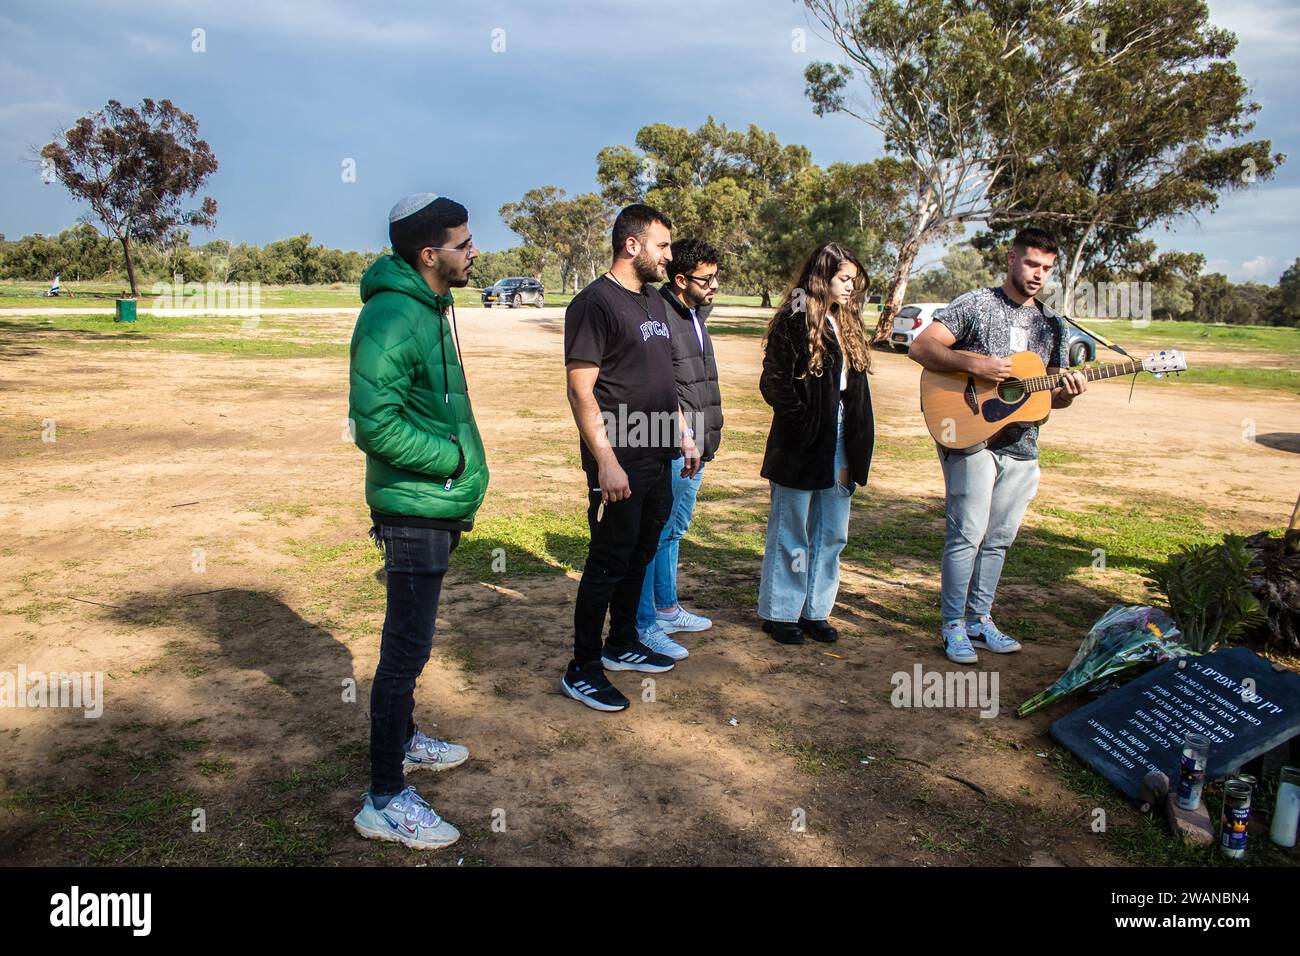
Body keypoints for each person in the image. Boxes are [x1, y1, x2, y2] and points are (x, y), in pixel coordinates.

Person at [347, 193, 489, 849]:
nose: (473, 251)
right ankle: (383, 798)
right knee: (404, 652)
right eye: (463, 243)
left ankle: (404, 741)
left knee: (414, 644)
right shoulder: (391, 317)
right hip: (411, 507)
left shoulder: (431, 307)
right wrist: (451, 460)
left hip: (431, 502)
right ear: (429, 255)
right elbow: (374, 425)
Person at [907, 227, 1088, 665]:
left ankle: (979, 619)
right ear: (1011, 259)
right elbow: (922, 347)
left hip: (1022, 443)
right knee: (967, 534)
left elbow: (1047, 397)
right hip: (969, 435)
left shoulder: (1053, 325)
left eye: (1047, 268)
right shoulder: (977, 305)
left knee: (999, 538)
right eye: (1031, 264)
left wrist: (1068, 392)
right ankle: (952, 626)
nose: (1038, 274)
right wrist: (977, 364)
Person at [561, 203, 702, 712]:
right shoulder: (594, 303)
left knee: (642, 550)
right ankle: (582, 667)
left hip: (659, 451)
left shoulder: (653, 302)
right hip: (619, 457)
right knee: (607, 560)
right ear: (632, 245)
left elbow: (664, 383)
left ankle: (622, 642)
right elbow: (581, 391)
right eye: (663, 245)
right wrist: (605, 460)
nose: (669, 255)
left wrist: (684, 435)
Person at [757, 242, 875, 645]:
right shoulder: (794, 319)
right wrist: (806, 425)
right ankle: (781, 612)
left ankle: (815, 611)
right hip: (801, 443)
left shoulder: (849, 322)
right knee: (792, 532)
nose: (850, 288)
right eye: (844, 280)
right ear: (821, 277)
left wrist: (855, 443)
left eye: (854, 282)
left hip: (843, 440)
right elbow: (774, 383)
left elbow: (856, 391)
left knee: (831, 532)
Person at [634, 239, 725, 659]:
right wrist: (681, 434)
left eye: (718, 277)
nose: (715, 286)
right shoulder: (659, 313)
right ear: (681, 279)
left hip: (699, 441)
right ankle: (644, 621)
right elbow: (662, 384)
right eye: (707, 279)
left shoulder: (693, 311)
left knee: (673, 530)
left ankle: (667, 606)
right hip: (672, 442)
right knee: (653, 533)